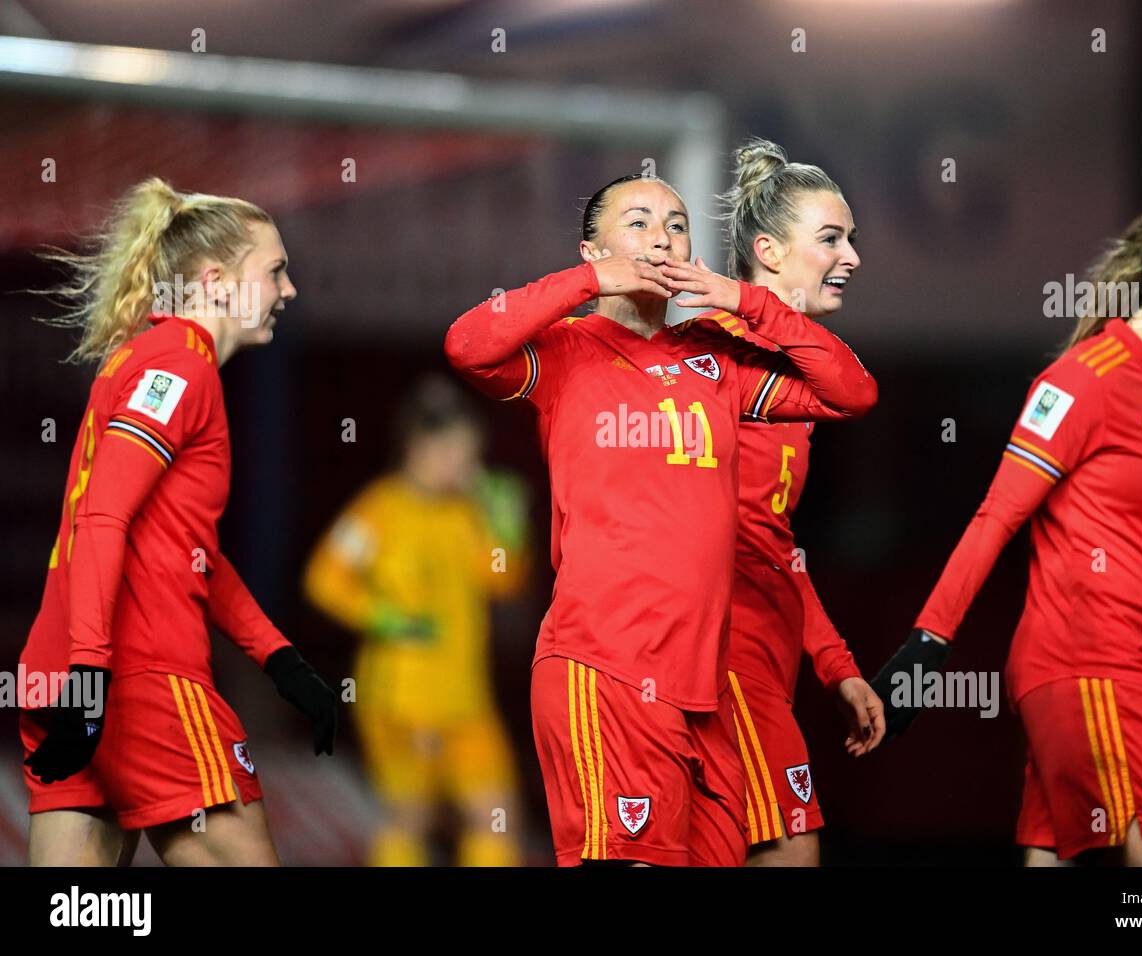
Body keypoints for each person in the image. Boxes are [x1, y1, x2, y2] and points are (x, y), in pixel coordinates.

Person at [444, 172, 876, 866]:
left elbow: (852, 393)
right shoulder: (566, 352)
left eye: (675, 223)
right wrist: (586, 282)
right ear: (593, 249)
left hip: (698, 689)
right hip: (603, 669)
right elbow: (466, 345)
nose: (662, 235)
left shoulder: (714, 359)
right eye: (639, 222)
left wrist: (748, 300)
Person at [871, 204, 1142, 866]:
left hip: (1115, 668)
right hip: (1093, 664)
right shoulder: (1082, 382)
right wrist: (926, 646)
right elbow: (997, 516)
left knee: (1053, 859)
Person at [19, 178, 337, 866]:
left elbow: (186, 550)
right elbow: (103, 517)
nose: (289, 292)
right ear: (217, 280)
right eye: (275, 271)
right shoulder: (179, 368)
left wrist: (280, 660)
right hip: (136, 673)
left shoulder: (139, 359)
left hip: (64, 666)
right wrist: (95, 674)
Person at [680, 139, 885, 866]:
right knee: (793, 850)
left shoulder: (790, 376)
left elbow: (775, 542)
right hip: (719, 647)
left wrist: (835, 663)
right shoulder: (709, 355)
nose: (853, 255)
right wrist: (749, 304)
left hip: (768, 653)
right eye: (832, 238)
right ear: (767, 250)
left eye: (852, 237)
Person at [303, 375, 529, 867]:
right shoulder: (380, 510)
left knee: (496, 815)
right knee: (409, 818)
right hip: (402, 696)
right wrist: (386, 618)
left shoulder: (465, 514)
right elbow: (324, 580)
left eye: (472, 454)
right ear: (420, 446)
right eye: (457, 452)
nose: (467, 466)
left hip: (467, 696)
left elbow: (505, 583)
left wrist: (503, 521)